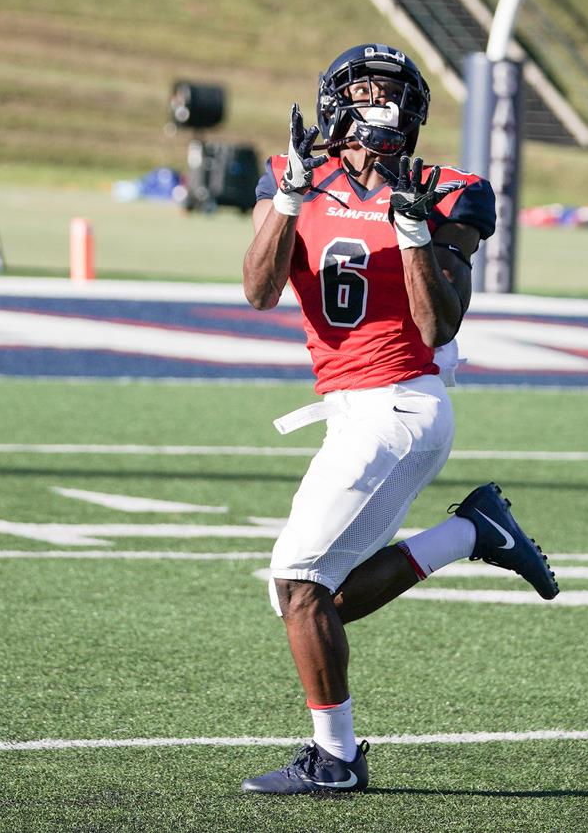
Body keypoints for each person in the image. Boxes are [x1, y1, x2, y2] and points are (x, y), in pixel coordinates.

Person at [239, 44, 558, 794]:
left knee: (298, 581)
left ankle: (338, 758)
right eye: (363, 91)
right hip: (347, 410)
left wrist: (413, 231)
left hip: (401, 405)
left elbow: (438, 325)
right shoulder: (298, 178)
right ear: (332, 105)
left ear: (410, 116)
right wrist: (286, 198)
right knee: (308, 600)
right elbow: (257, 290)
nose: (374, 108)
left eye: (390, 95)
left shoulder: (447, 191)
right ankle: (471, 531)